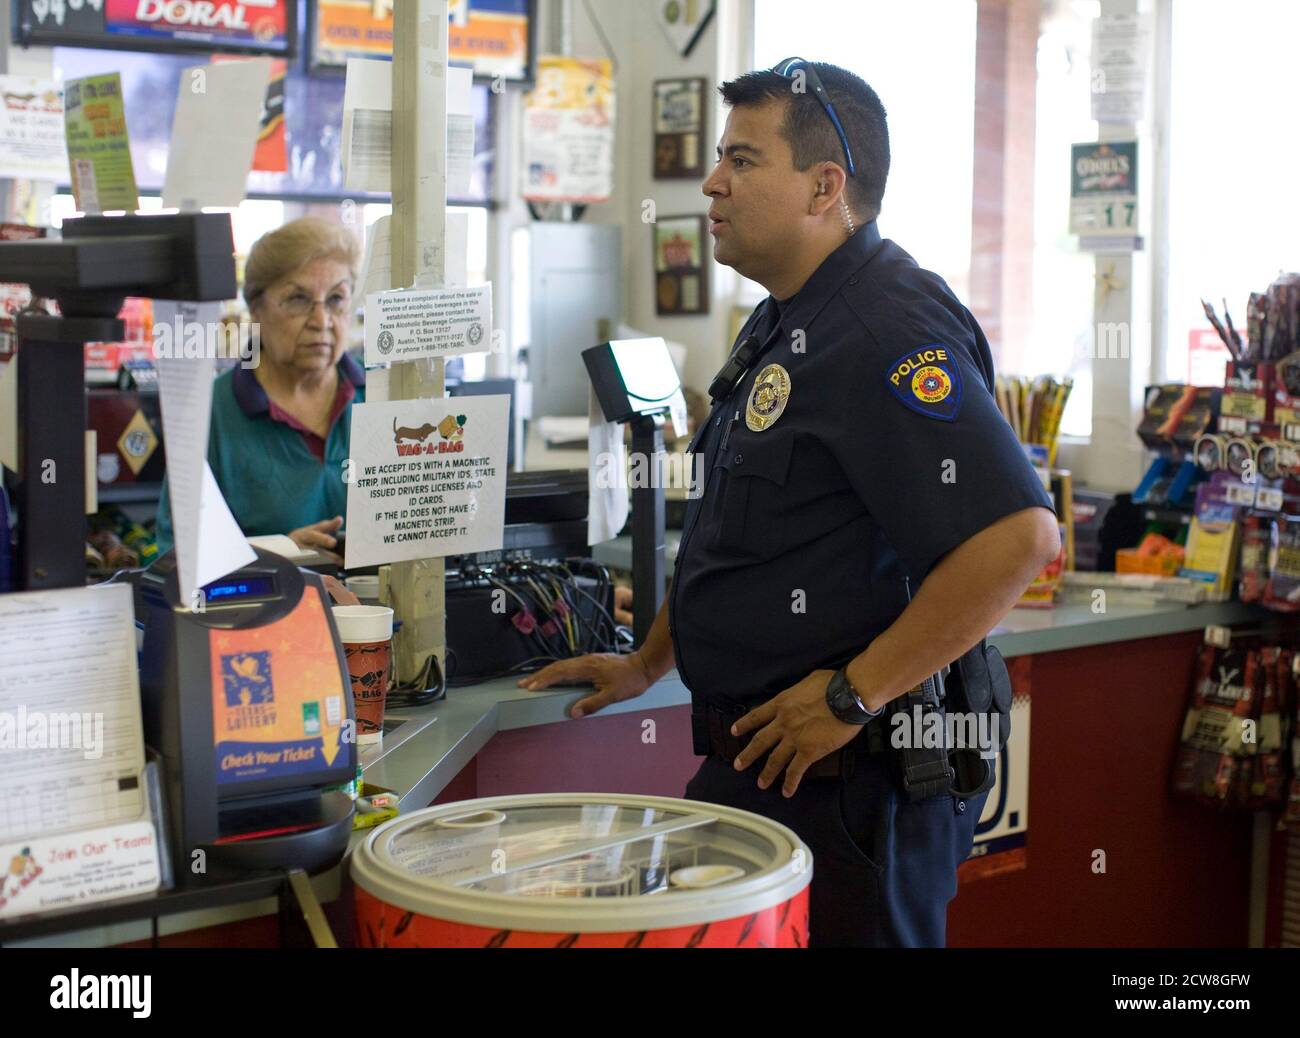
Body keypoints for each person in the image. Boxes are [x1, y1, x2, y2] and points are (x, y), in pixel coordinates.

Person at [521, 59, 1061, 948]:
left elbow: (1018, 538)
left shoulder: (888, 327)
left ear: (823, 186)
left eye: (741, 158)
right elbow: (743, 539)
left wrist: (852, 696)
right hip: (763, 766)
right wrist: (647, 661)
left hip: (853, 781)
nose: (711, 182)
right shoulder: (784, 318)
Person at [155, 217, 364, 564]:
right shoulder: (210, 412)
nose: (322, 320)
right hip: (261, 612)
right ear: (256, 308)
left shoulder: (379, 397)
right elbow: (172, 558)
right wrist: (275, 554)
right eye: (298, 299)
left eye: (336, 299)